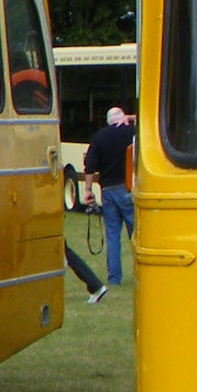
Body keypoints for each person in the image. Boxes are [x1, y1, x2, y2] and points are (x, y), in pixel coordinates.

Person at [83, 105, 138, 286]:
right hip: (128, 188)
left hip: (107, 190)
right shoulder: (132, 133)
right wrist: (130, 117)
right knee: (136, 235)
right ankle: (141, 273)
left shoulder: (99, 136)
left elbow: (89, 166)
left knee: (112, 236)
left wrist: (88, 189)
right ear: (123, 119)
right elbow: (147, 120)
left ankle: (114, 278)